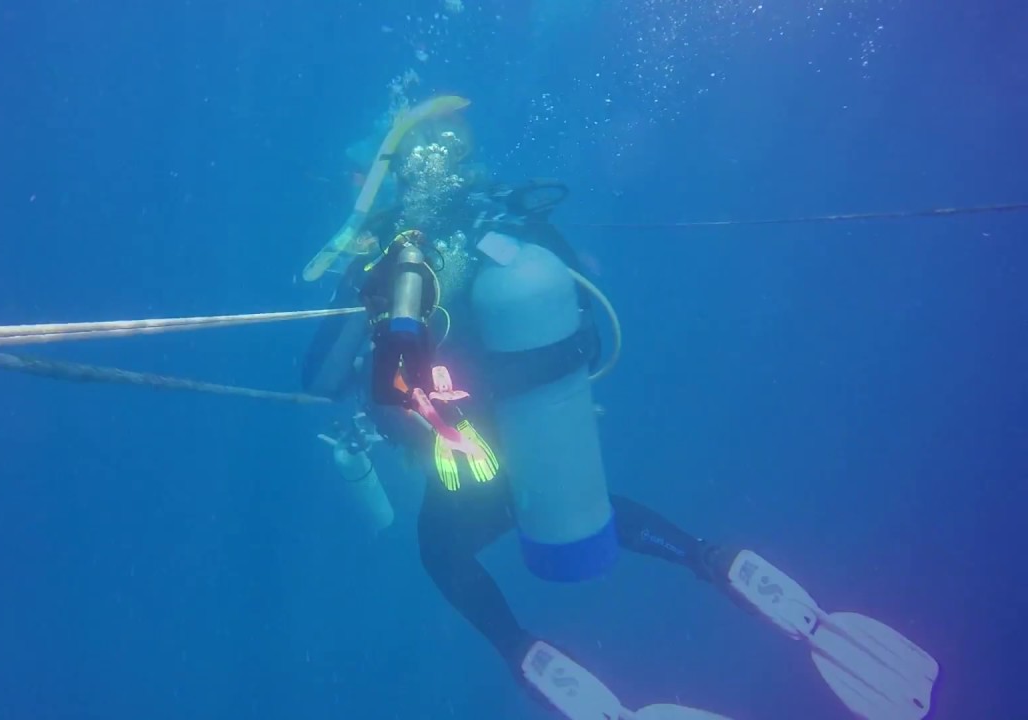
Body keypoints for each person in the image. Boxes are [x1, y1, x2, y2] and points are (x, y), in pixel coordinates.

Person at [300, 97, 938, 720]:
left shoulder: (387, 259)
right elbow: (589, 333)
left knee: (439, 552)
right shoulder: (509, 227)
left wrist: (362, 302)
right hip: (540, 425)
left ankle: (524, 652)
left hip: (463, 448)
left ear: (385, 178)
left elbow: (323, 379)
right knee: (588, 501)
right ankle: (712, 560)